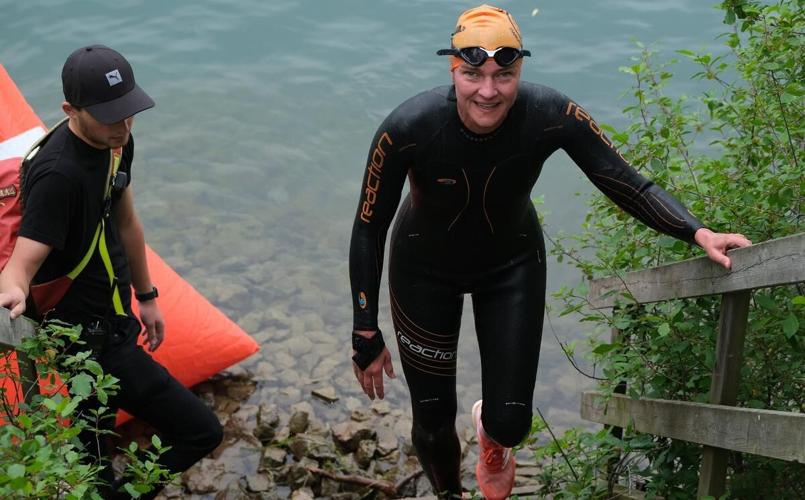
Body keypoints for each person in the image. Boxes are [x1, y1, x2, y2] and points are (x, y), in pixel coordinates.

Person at [348, 5, 751, 499]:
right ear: (453, 69)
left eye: (505, 75)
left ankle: (493, 441)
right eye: (473, 74)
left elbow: (625, 181)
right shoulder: (407, 127)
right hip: (423, 272)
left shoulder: (551, 113)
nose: (488, 91)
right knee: (431, 417)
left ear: (521, 71)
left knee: (512, 423)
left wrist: (697, 232)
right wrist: (365, 330)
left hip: (510, 265)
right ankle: (449, 494)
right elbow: (369, 227)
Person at [0, 45, 222, 499]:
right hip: (84, 343)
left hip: (118, 318)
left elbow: (126, 222)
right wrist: (12, 295)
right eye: (109, 117)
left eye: (129, 113)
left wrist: (149, 296)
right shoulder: (58, 175)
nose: (123, 126)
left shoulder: (117, 142)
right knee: (201, 432)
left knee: (93, 464)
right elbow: (22, 263)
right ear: (70, 111)